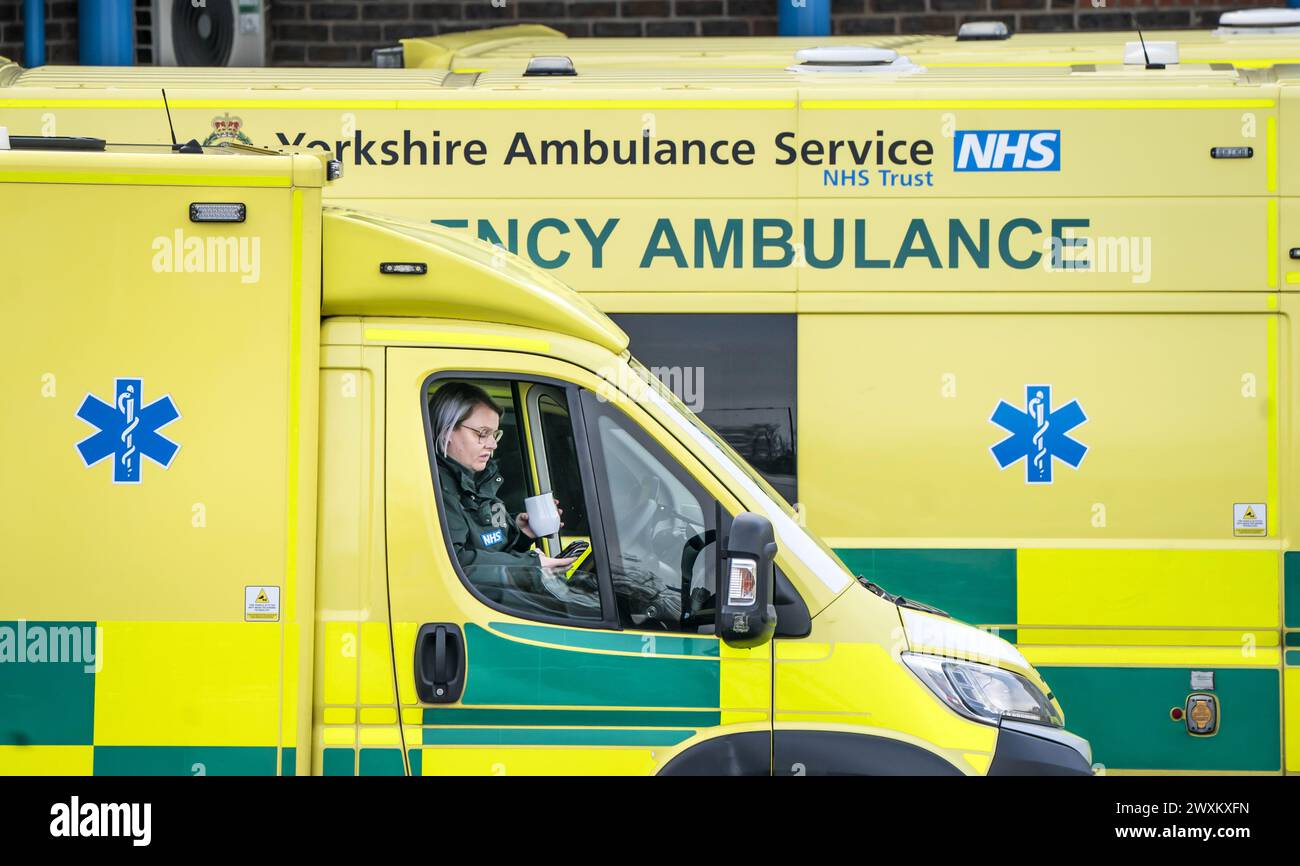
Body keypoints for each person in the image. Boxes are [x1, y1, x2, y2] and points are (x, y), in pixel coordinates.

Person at [429, 382, 577, 601]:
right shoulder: (435, 487)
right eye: (482, 433)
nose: (492, 445)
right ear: (447, 430)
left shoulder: (482, 479)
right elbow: (456, 564)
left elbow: (490, 552)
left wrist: (521, 534)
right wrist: (530, 566)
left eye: (494, 435)